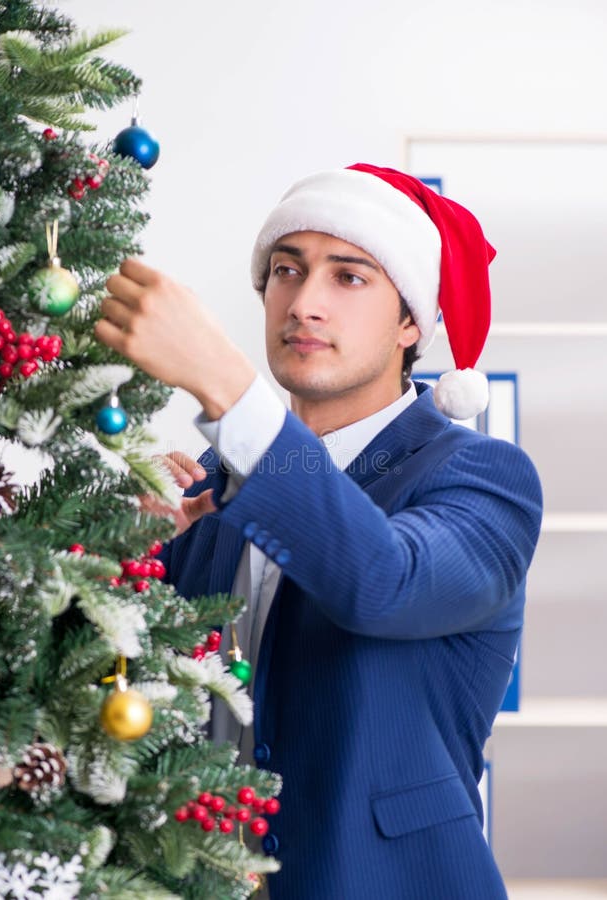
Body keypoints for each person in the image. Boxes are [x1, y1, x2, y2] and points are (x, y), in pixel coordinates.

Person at [95, 164, 543, 900]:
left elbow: (383, 581)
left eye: (349, 277)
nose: (304, 303)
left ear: (411, 323)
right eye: (287, 270)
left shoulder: (485, 477)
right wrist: (119, 564)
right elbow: (123, 712)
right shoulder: (210, 488)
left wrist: (226, 384)